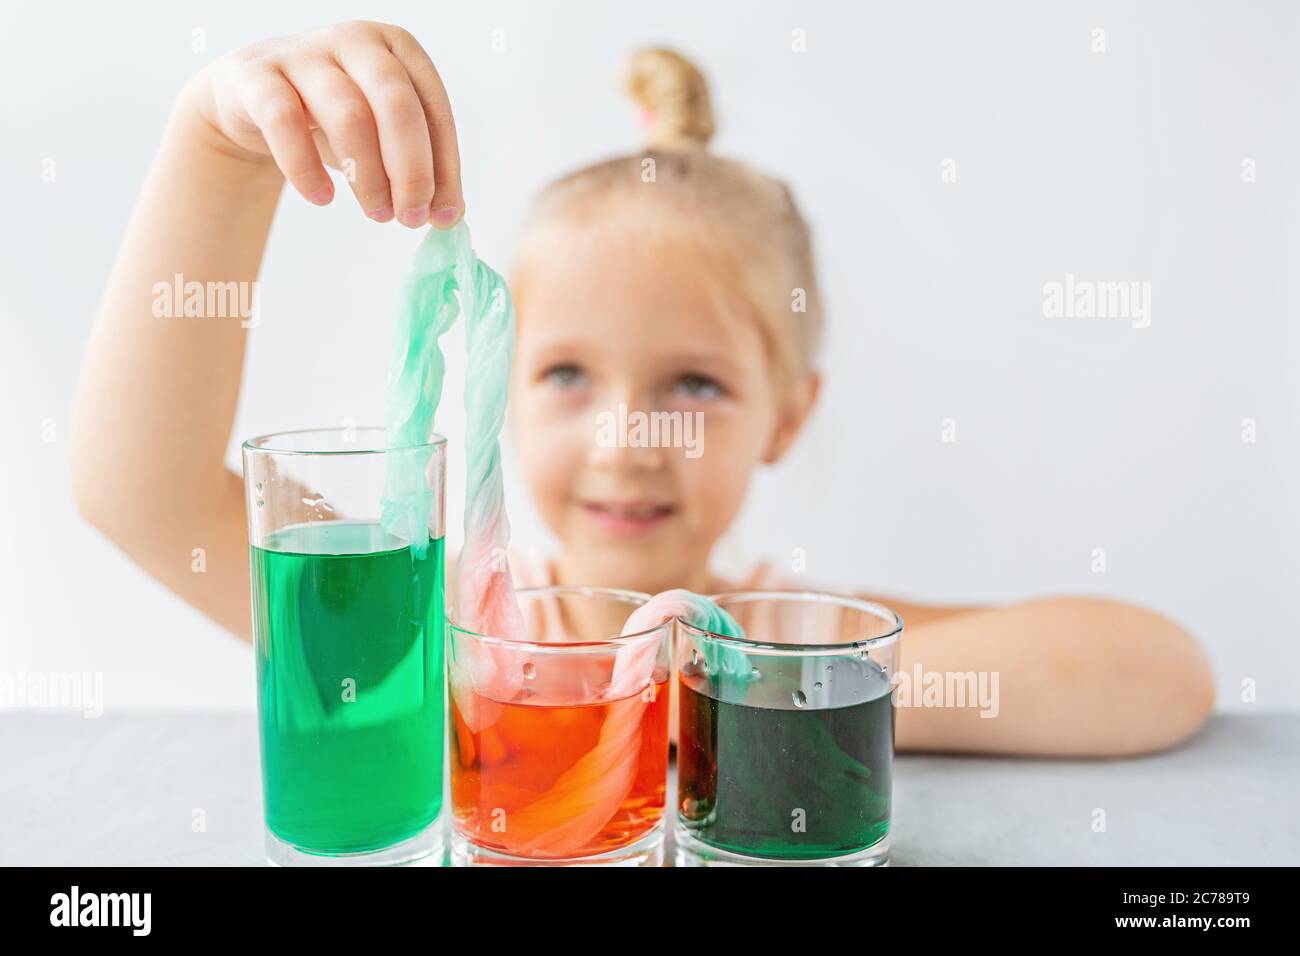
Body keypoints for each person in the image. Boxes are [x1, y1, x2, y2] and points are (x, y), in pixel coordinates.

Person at [71, 21, 1214, 757]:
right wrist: (214, 151)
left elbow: (1158, 671)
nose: (627, 435)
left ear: (789, 415)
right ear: (499, 394)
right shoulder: (443, 637)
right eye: (565, 372)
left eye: (696, 383)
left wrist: (747, 682)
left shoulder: (796, 637)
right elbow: (146, 496)